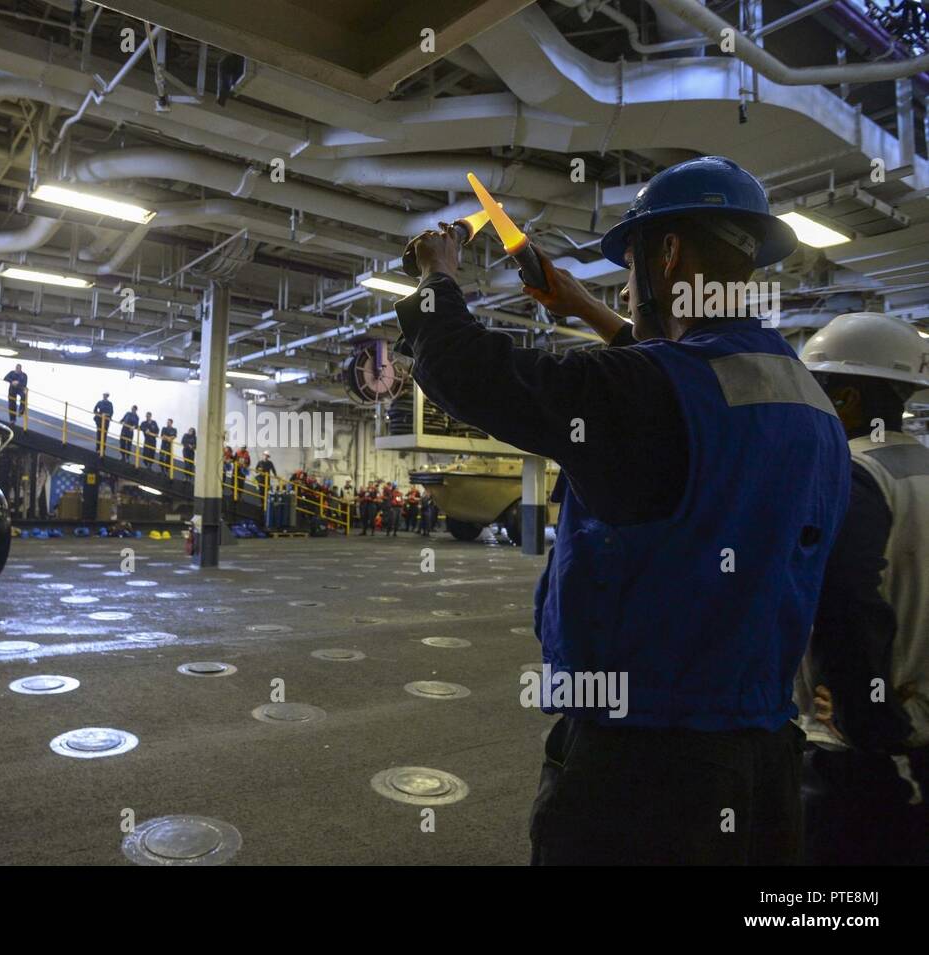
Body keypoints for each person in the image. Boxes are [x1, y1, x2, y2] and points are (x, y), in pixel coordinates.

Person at [397, 155, 849, 865]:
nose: (632, 285)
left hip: (642, 776)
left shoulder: (647, 392)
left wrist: (437, 277)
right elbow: (690, 387)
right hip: (765, 764)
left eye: (633, 264)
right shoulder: (810, 404)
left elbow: (469, 371)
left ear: (666, 254)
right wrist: (581, 304)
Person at [794, 312, 929, 865]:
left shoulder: (850, 471)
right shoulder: (920, 468)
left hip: (856, 752)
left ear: (846, 397)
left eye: (816, 389)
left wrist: (863, 713)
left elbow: (846, 605)